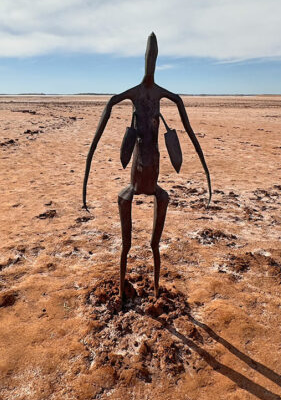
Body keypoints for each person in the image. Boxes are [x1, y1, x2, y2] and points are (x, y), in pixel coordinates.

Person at [83, 32, 211, 309]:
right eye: (148, 56)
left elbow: (190, 132)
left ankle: (155, 290)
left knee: (155, 244)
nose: (150, 61)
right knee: (126, 245)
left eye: (153, 56)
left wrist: (205, 171)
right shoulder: (134, 94)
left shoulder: (166, 95)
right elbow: (109, 107)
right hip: (134, 181)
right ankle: (121, 292)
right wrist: (88, 165)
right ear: (145, 58)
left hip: (155, 181)